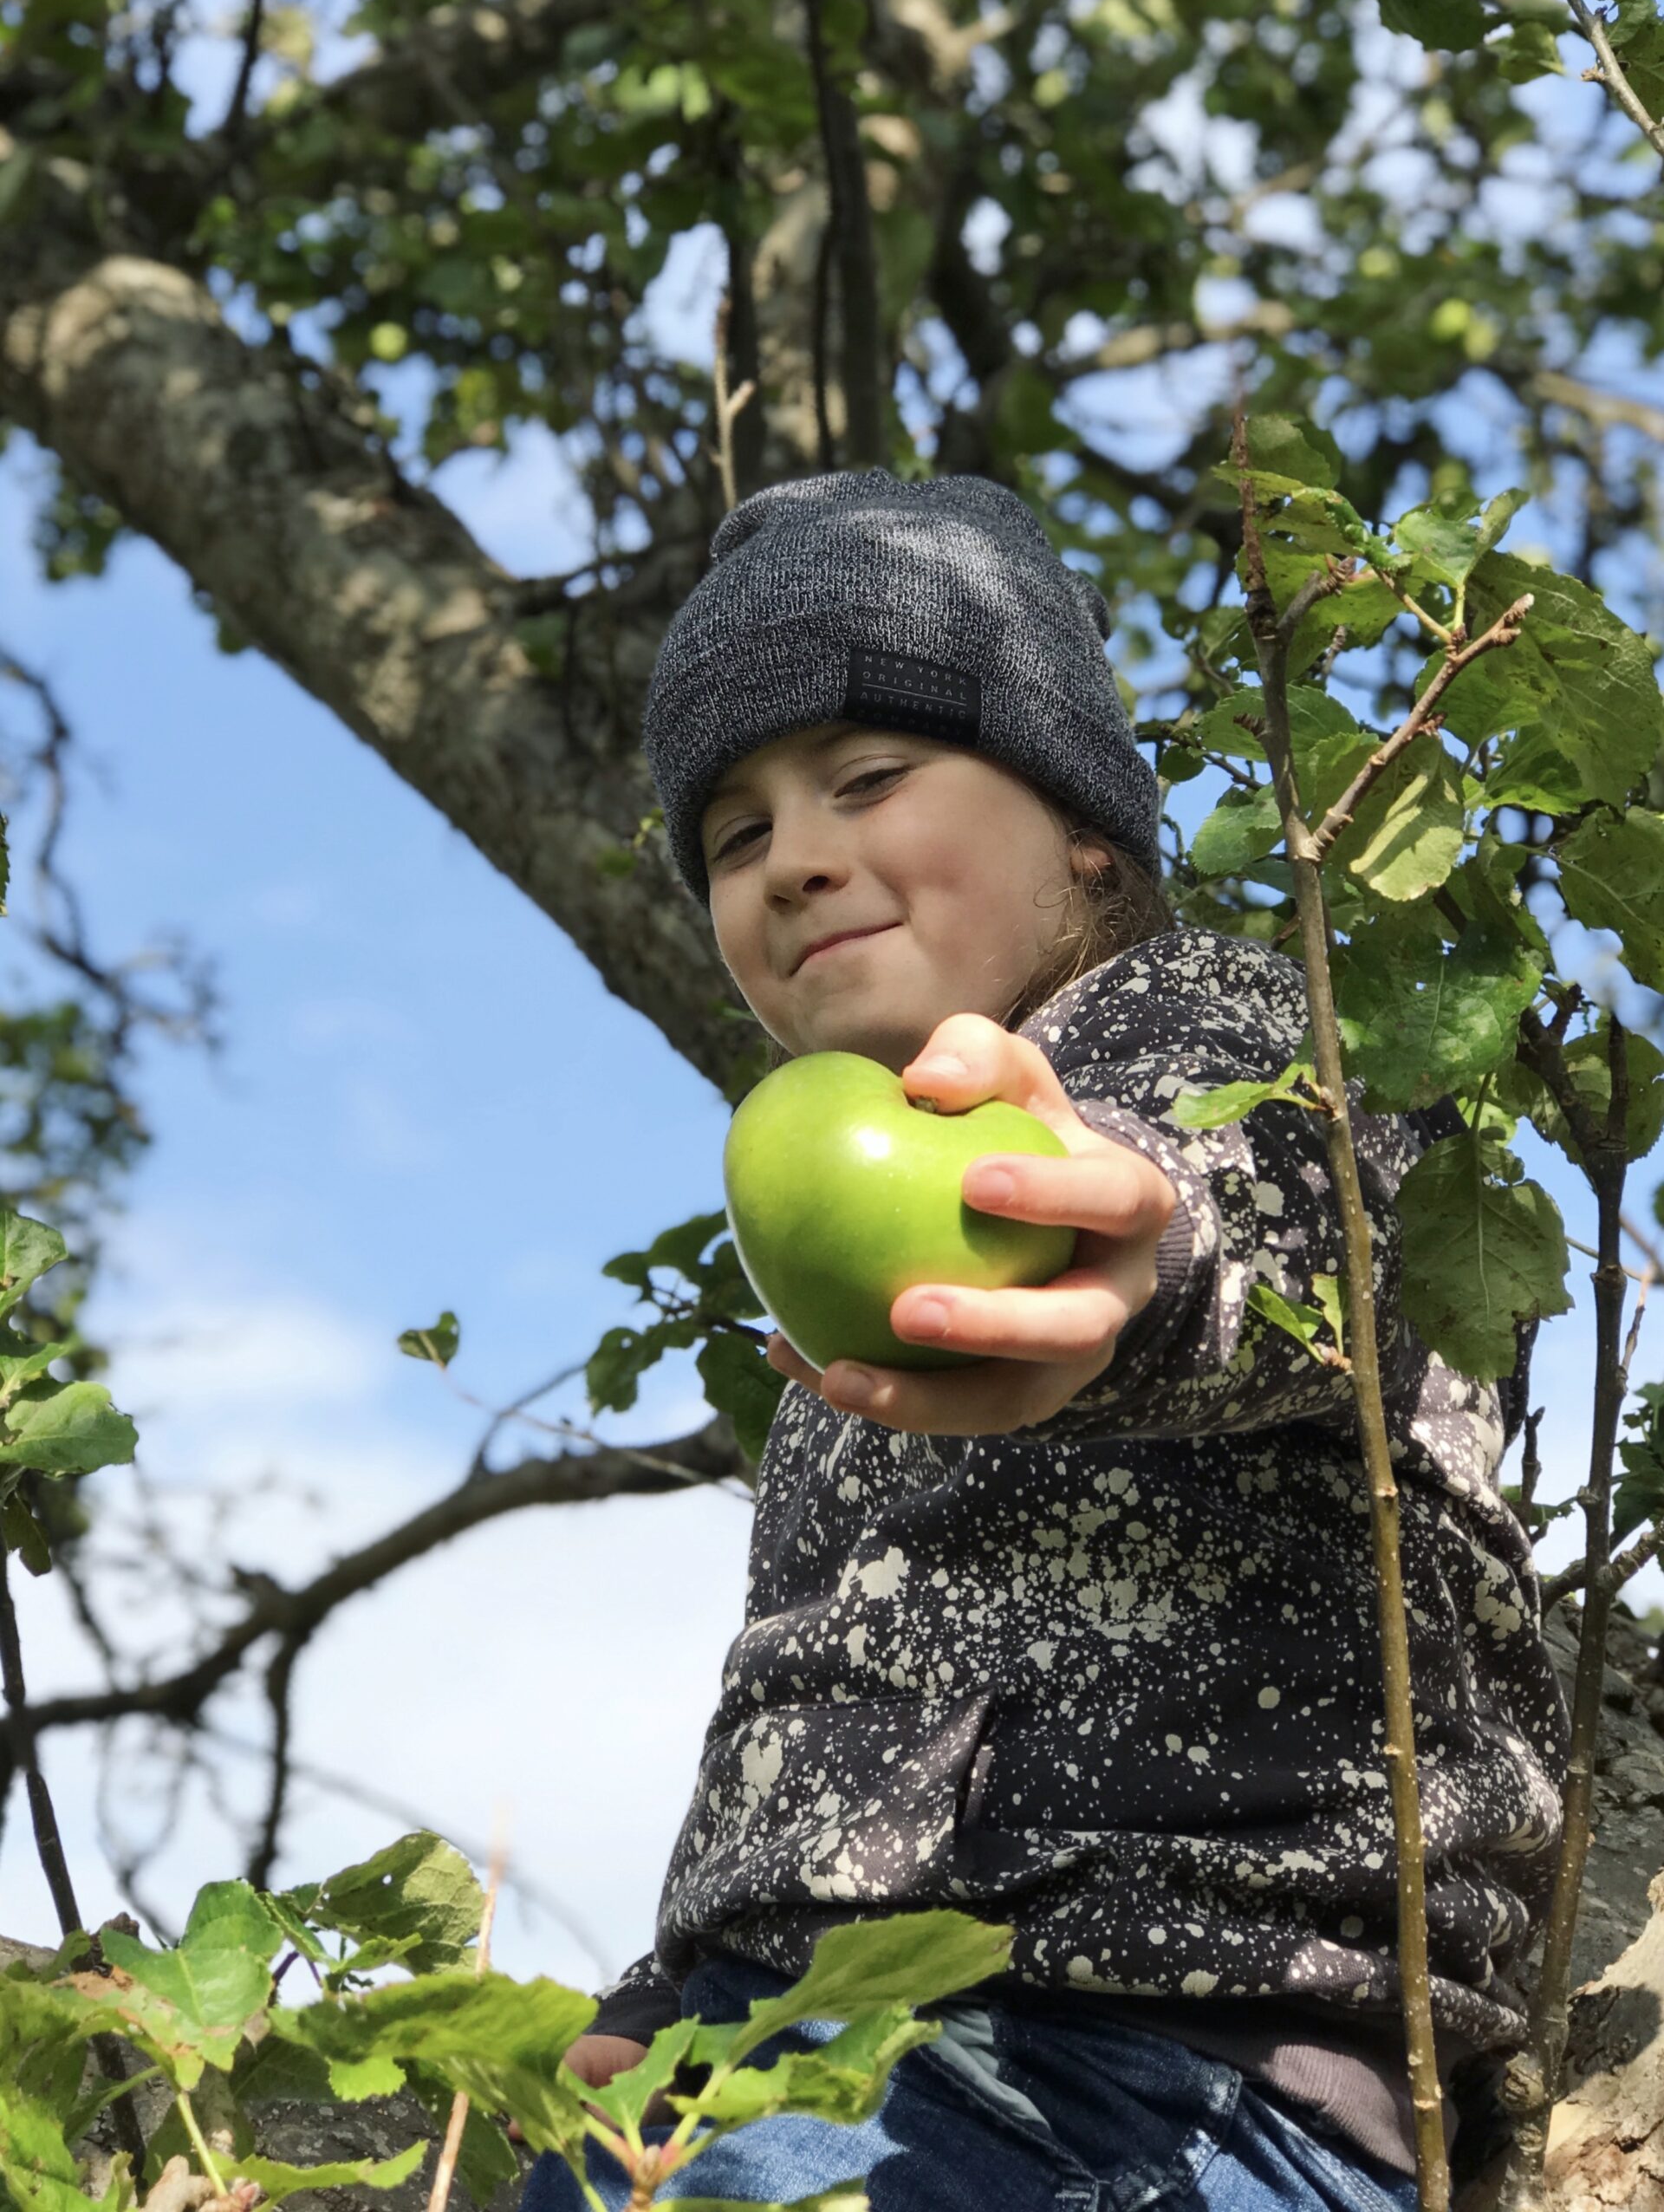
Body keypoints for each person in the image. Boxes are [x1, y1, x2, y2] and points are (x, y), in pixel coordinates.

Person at [518, 469, 1570, 2212]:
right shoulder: (852, 1274)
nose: (797, 857)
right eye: (735, 835)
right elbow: (824, 1687)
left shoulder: (1238, 1039)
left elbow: (1277, 1225)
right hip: (799, 2045)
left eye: (869, 777)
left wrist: (1131, 1260)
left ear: (1085, 824)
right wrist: (679, 1973)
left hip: (1162, 2053)